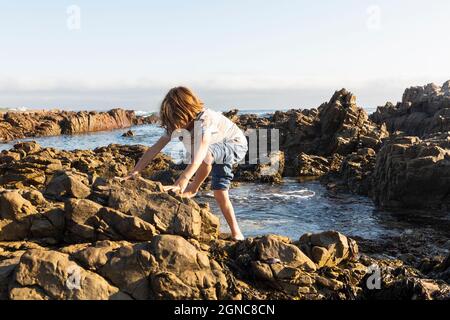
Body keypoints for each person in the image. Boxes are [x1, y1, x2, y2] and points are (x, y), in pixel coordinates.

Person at [124, 87, 248, 241]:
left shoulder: (205, 119)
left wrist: (185, 178)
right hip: (212, 151)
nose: (175, 126)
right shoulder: (175, 125)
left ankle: (193, 189)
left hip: (234, 144)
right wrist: (135, 171)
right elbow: (155, 148)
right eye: (171, 121)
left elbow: (203, 152)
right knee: (220, 192)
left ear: (187, 112)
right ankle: (237, 233)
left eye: (176, 119)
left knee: (206, 155)